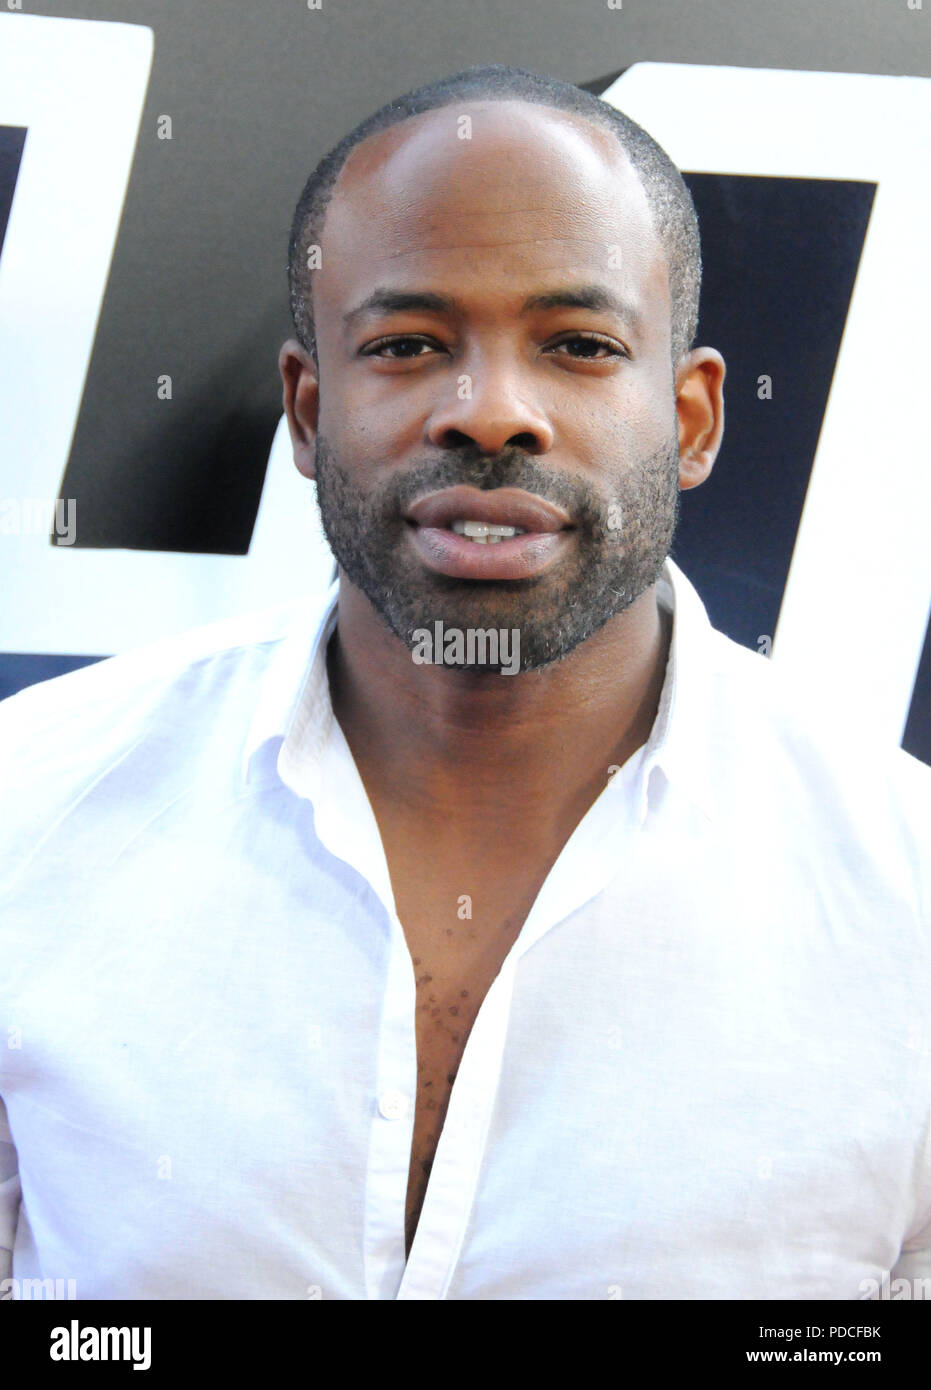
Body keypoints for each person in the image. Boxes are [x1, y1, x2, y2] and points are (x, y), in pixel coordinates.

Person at [1, 64, 928, 1302]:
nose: (491, 412)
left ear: (693, 417)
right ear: (309, 408)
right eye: (408, 344)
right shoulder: (30, 810)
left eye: (580, 345)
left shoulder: (902, 901)